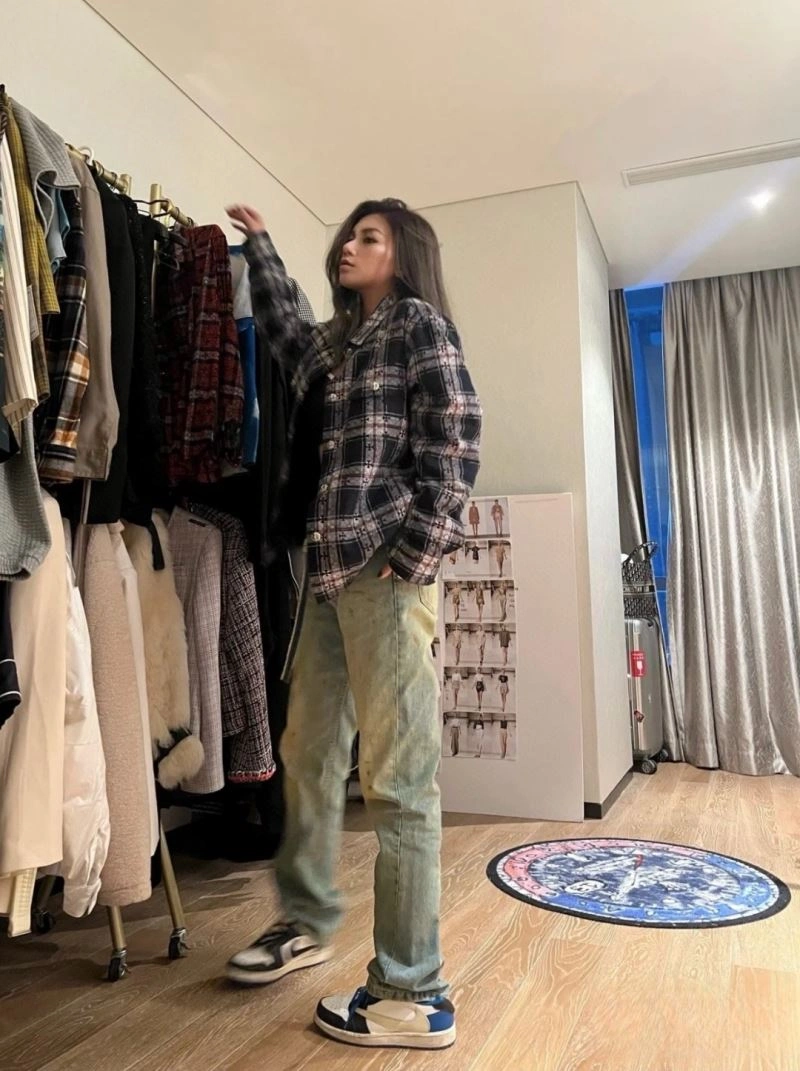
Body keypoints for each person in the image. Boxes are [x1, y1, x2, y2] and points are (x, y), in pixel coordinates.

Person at [224, 199, 481, 1050]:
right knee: (306, 755)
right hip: (328, 581)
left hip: (384, 575)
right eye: (350, 234)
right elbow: (287, 332)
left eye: (370, 237)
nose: (350, 245)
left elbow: (456, 439)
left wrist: (416, 554)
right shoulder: (338, 345)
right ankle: (305, 919)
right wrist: (261, 247)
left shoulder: (419, 326)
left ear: (403, 254)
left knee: (399, 780)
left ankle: (412, 989)